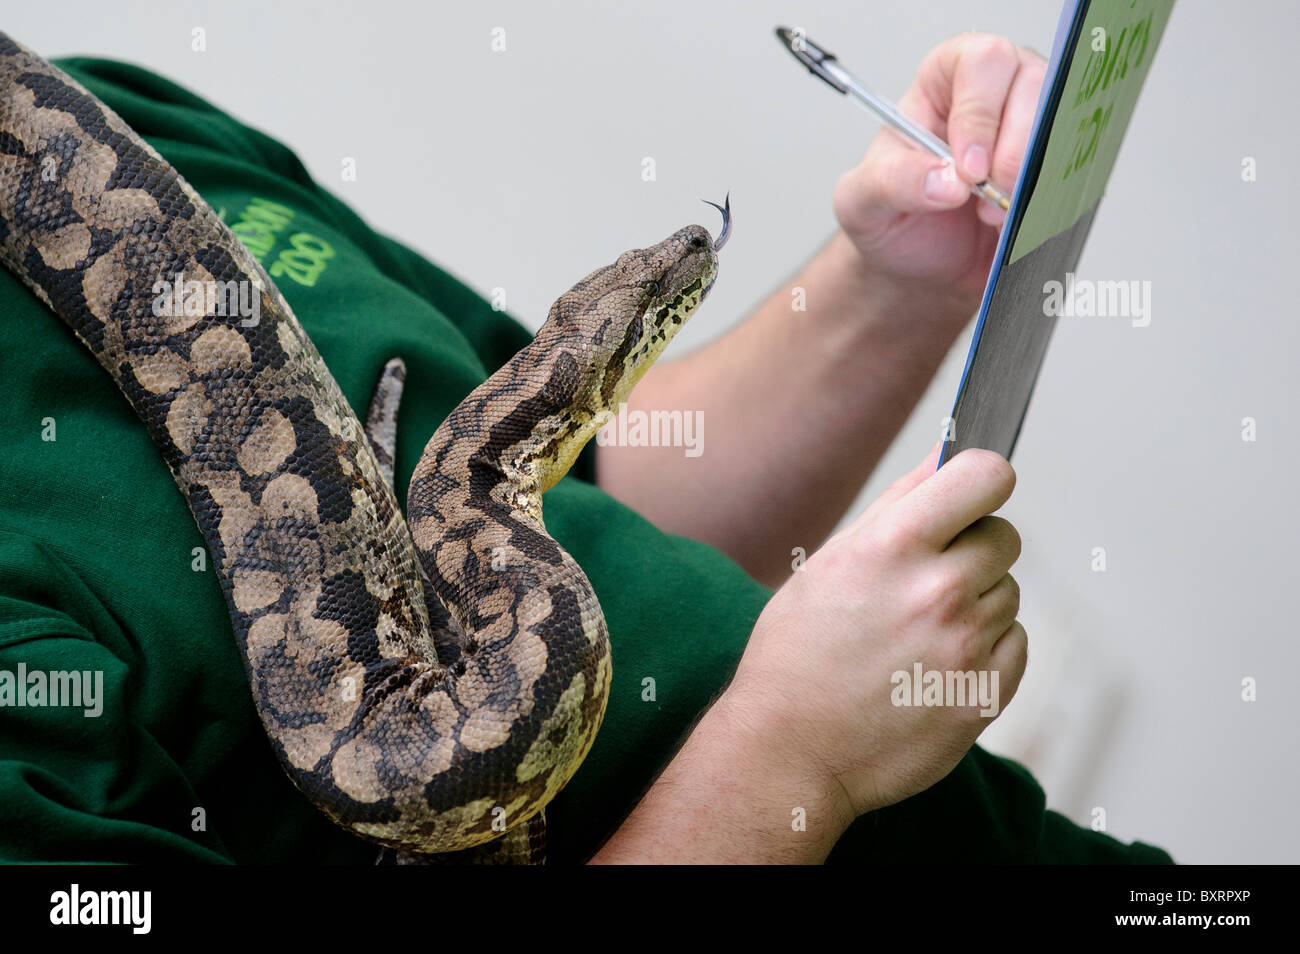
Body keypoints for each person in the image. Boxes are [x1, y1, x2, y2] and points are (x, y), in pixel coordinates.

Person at [0, 32, 1172, 864]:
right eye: (660, 309)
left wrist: (899, 286)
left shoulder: (101, 119)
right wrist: (792, 758)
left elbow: (598, 502)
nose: (677, 265)